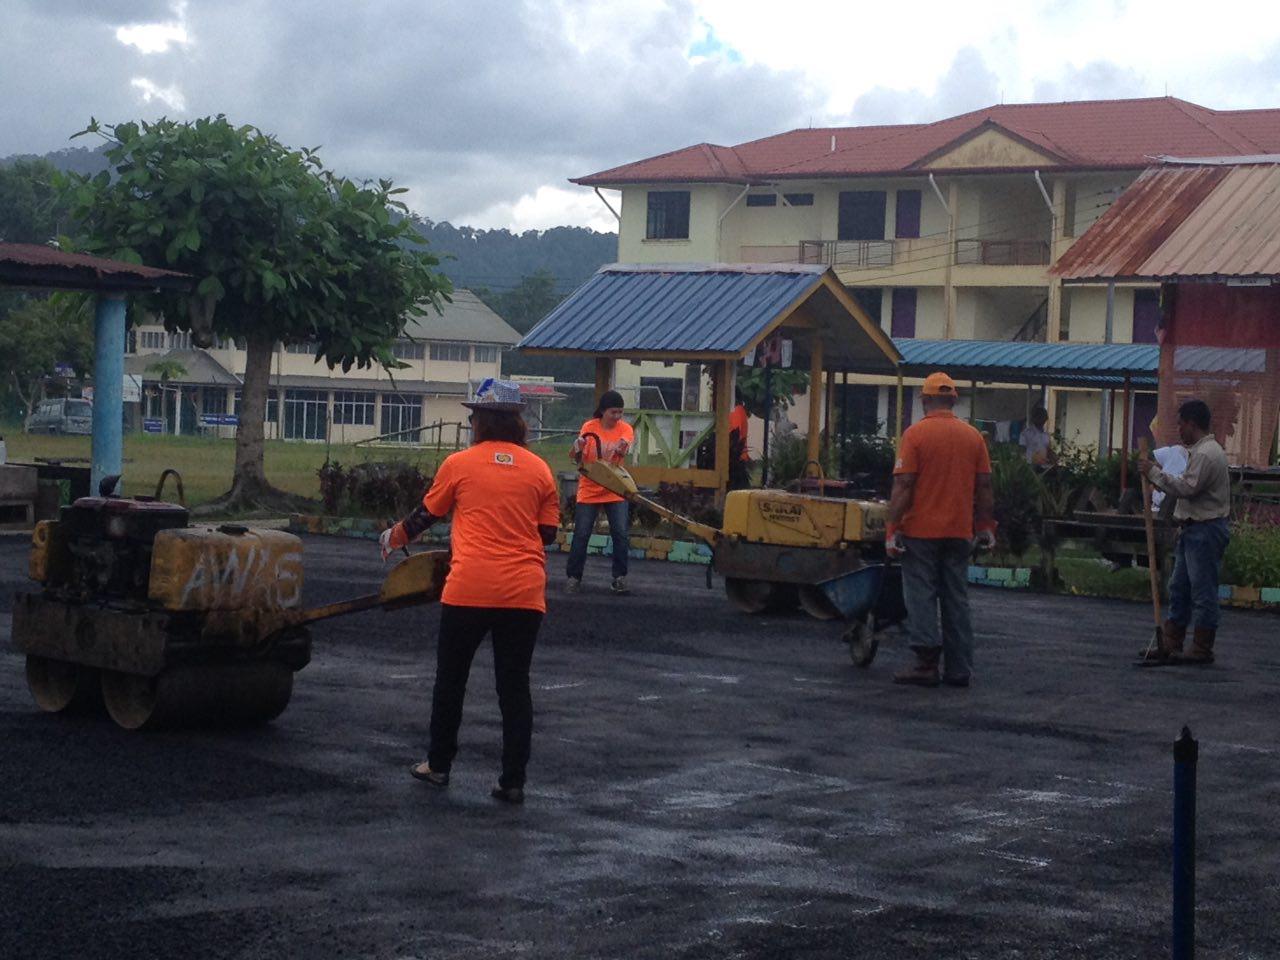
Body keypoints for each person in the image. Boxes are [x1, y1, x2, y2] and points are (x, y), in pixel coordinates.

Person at [379, 379, 560, 804]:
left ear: (480, 420)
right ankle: (512, 781)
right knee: (514, 687)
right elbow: (548, 533)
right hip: (523, 591)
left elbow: (427, 514)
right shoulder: (539, 469)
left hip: (470, 587)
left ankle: (438, 766)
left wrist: (394, 536)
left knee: (452, 680)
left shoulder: (459, 464)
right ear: (517, 421)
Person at [885, 372, 996, 688]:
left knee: (921, 595)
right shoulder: (973, 436)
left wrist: (892, 528)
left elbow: (904, 485)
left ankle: (926, 663)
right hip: (959, 531)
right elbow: (985, 486)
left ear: (924, 401)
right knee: (956, 598)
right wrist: (986, 526)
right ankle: (959, 668)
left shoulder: (916, 435)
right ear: (953, 400)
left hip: (921, 532)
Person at [1137, 399, 1231, 665]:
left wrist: (1154, 474)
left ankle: (1202, 647)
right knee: (1179, 587)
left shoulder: (1205, 454)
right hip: (1193, 529)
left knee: (1202, 591)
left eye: (1180, 424)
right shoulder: (1201, 451)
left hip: (1205, 529)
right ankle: (1172, 641)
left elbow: (1187, 488)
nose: (1178, 429)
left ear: (1192, 424)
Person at [565, 389, 634, 594]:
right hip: (590, 487)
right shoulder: (589, 427)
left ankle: (619, 577)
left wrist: (623, 448)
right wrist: (578, 447)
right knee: (582, 534)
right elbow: (578, 454)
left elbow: (626, 443)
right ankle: (574, 577)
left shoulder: (626, 429)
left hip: (615, 488)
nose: (617, 417)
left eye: (620, 412)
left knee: (620, 533)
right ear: (603, 411)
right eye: (613, 412)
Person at [728, 391, 751, 490]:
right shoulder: (741, 410)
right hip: (739, 456)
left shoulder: (736, 411)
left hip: (736, 458)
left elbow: (734, 432)